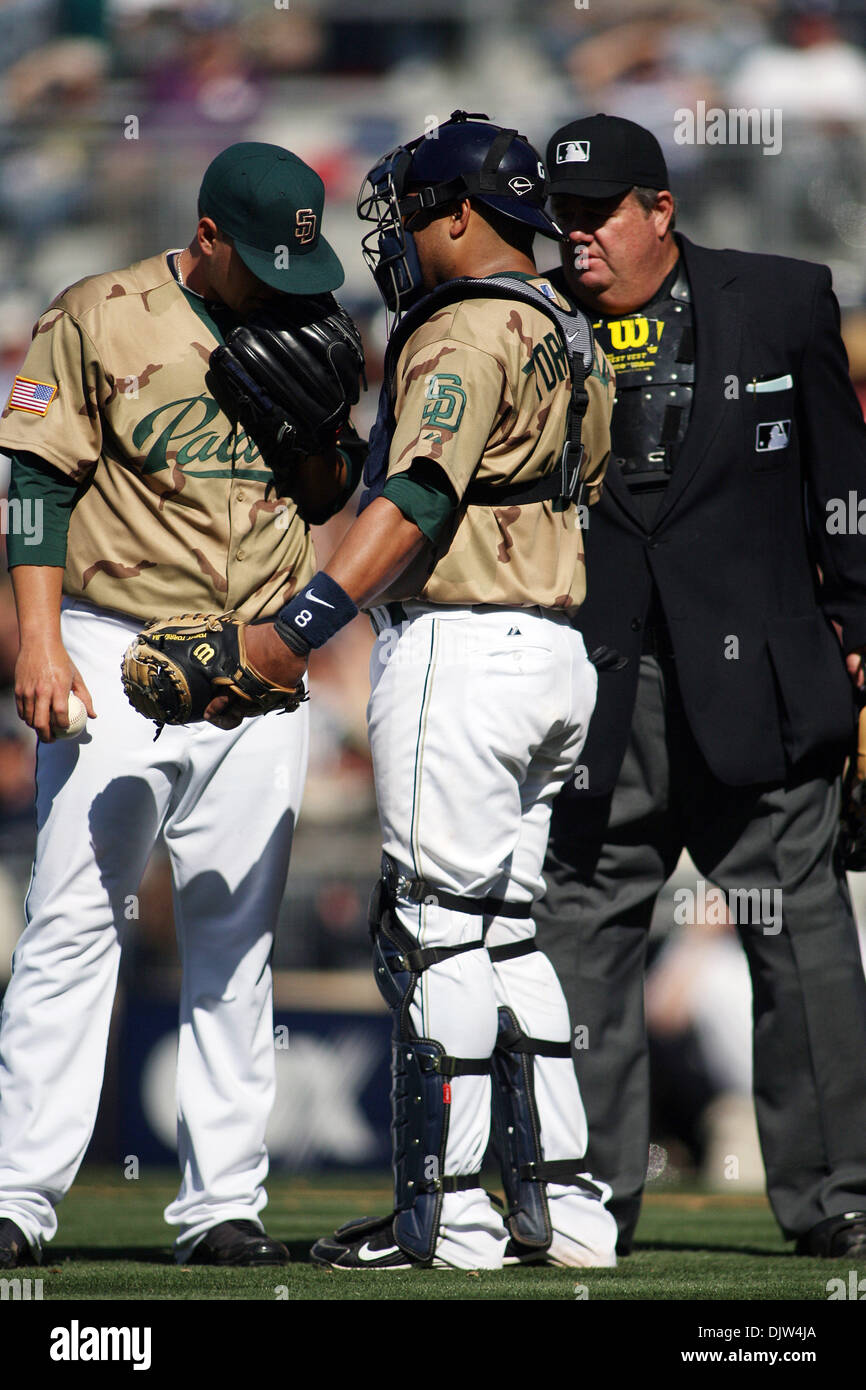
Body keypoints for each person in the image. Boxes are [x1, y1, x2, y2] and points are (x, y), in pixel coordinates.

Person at [205, 111, 619, 1270]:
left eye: (415, 207)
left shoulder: (461, 327)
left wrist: (294, 630)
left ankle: (452, 1219)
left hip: (465, 645)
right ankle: (571, 1211)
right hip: (552, 653)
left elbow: (421, 497)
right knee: (507, 936)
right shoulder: (563, 325)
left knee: (432, 937)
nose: (401, 230)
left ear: (463, 212)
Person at [0, 141, 357, 1268]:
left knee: (233, 936)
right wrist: (40, 639)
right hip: (118, 643)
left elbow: (329, 491)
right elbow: (32, 482)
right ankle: (17, 1194)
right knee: (72, 925)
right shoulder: (99, 313)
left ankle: (220, 1206)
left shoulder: (303, 314)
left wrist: (321, 444)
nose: (282, 282)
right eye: (258, 259)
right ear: (206, 235)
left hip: (255, 656)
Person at [533, 112, 866, 1259]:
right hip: (595, 688)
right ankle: (582, 1200)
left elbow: (843, 475)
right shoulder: (527, 324)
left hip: (763, 683)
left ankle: (838, 1198)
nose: (572, 238)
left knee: (801, 939)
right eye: (558, 218)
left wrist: (858, 622)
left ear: (659, 210)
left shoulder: (781, 298)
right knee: (581, 937)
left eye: (594, 215)